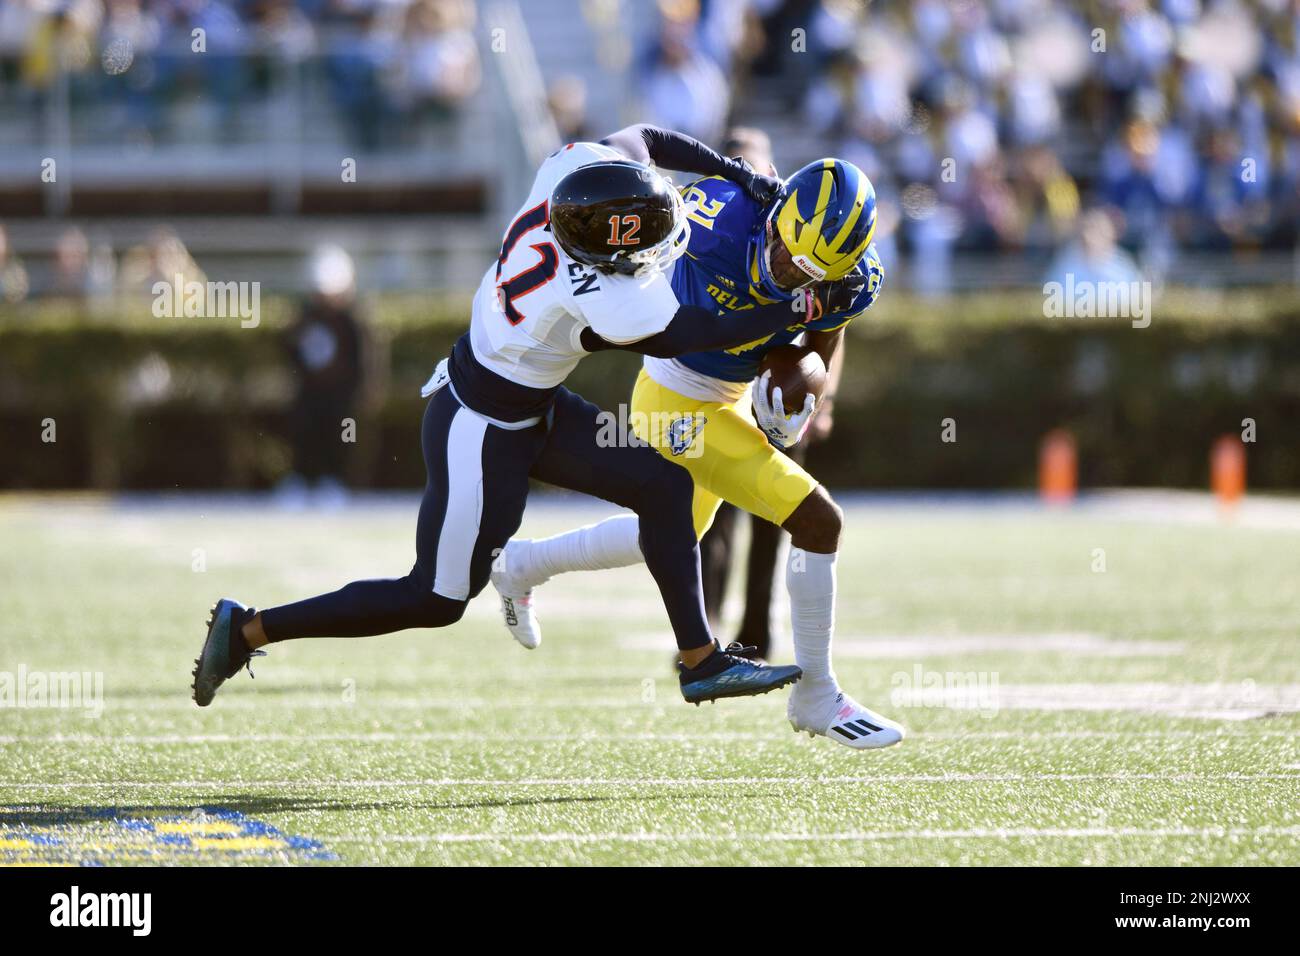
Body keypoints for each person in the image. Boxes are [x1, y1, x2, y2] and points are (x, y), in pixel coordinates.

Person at [192, 124, 853, 710]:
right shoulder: (611, 294)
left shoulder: (566, 176)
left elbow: (645, 139)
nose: (653, 256)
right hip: (479, 428)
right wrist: (799, 310)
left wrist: (739, 174)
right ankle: (247, 628)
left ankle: (699, 661)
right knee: (436, 599)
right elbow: (696, 331)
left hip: (529, 403)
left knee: (664, 486)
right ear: (610, 257)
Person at [491, 157, 905, 750]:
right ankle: (817, 694)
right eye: (789, 250)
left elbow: (824, 337)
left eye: (811, 271)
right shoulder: (712, 220)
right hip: (670, 395)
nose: (791, 271)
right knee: (818, 519)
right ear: (777, 212)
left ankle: (521, 564)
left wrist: (812, 396)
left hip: (730, 399)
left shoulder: (851, 279)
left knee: (667, 537)